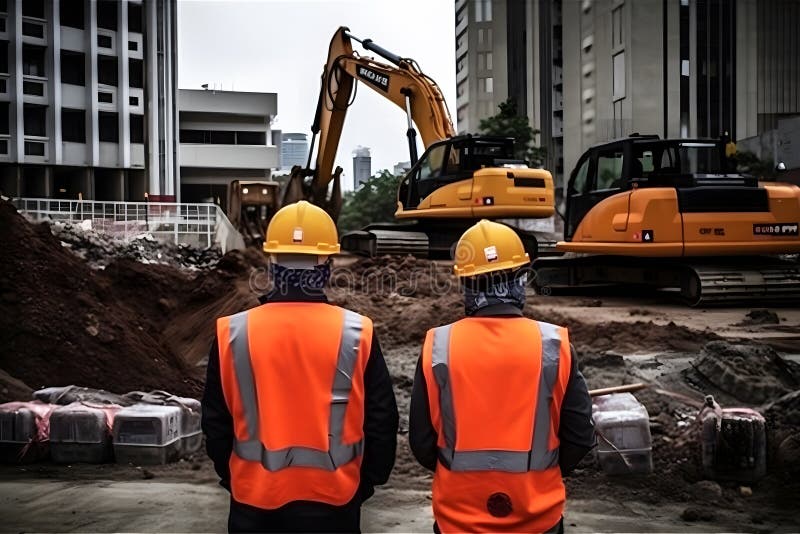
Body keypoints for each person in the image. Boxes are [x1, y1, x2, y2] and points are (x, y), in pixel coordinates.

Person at [202, 201, 399, 533]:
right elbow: (381, 423)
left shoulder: (232, 332)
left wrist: (236, 477)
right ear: (327, 265)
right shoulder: (357, 332)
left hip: (254, 500)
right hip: (335, 499)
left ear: (271, 263)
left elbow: (216, 425)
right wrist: (363, 485)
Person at [409, 219, 595, 533]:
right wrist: (541, 473)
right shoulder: (554, 344)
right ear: (521, 278)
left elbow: (422, 442)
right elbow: (580, 435)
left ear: (465, 283)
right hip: (537, 516)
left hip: (458, 517)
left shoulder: (439, 346)